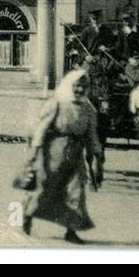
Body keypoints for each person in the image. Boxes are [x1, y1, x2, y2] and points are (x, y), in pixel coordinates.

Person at [22, 69, 103, 243]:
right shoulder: (58, 103)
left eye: (83, 87)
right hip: (54, 152)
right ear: (69, 85)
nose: (80, 90)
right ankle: (27, 217)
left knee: (76, 190)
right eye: (77, 86)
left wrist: (97, 152)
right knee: (45, 189)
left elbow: (92, 134)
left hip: (76, 152)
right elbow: (42, 128)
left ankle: (71, 231)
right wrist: (34, 153)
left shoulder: (89, 109)